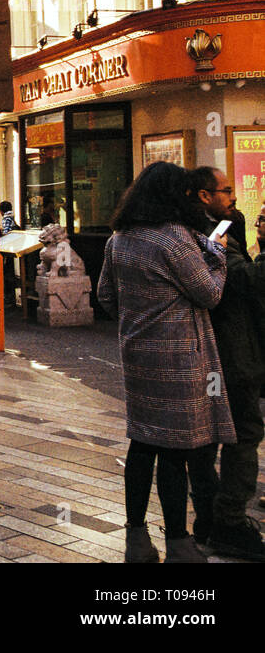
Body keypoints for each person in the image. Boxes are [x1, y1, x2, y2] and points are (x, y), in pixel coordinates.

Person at [96, 162, 234, 564]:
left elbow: (106, 296)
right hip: (180, 358)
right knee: (175, 450)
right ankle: (178, 542)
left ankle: (136, 540)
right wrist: (219, 258)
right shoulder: (174, 239)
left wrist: (140, 316)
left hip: (138, 357)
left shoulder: (119, 239)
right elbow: (208, 293)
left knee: (142, 443)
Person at [190, 166, 265, 560]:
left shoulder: (198, 230)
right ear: (205, 196)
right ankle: (229, 522)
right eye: (226, 190)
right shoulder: (212, 235)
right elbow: (245, 283)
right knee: (242, 431)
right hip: (229, 354)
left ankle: (208, 517)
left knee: (205, 438)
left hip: (208, 354)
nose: (233, 196)